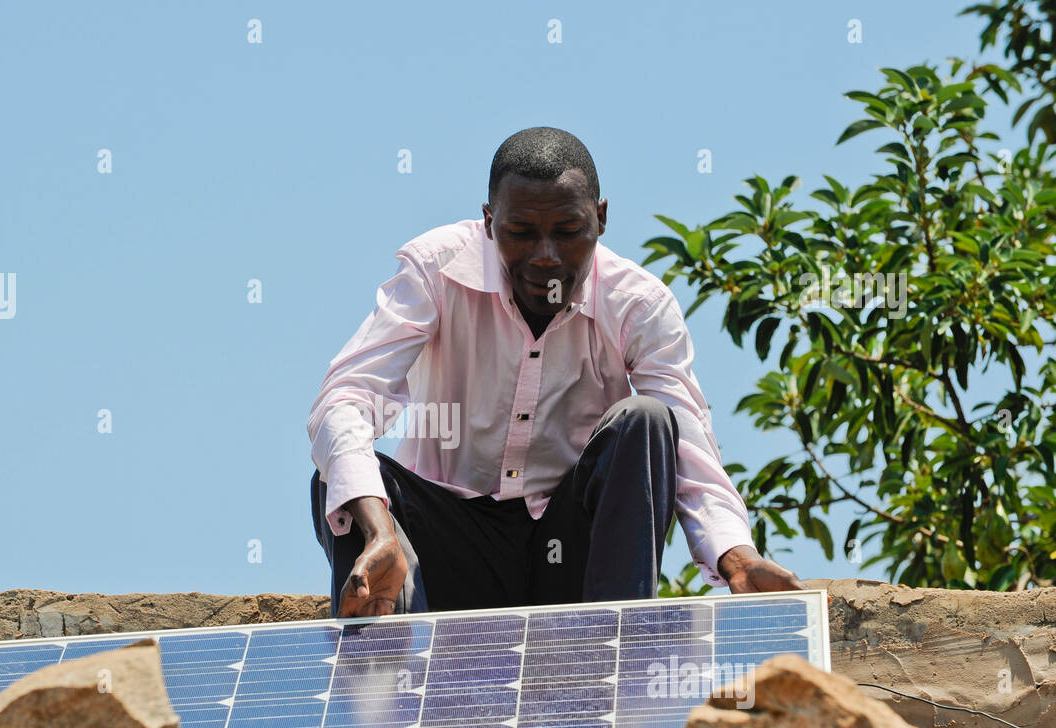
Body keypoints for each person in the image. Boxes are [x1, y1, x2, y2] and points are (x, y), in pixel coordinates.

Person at [308, 127, 804, 618]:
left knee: (647, 421)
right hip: (446, 559)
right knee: (343, 485)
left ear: (601, 219)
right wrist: (378, 529)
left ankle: (614, 649)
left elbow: (689, 448)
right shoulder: (435, 269)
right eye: (520, 233)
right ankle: (387, 677)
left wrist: (736, 557)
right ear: (488, 222)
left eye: (568, 232)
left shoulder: (637, 304)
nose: (545, 257)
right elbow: (348, 396)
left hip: (570, 560)